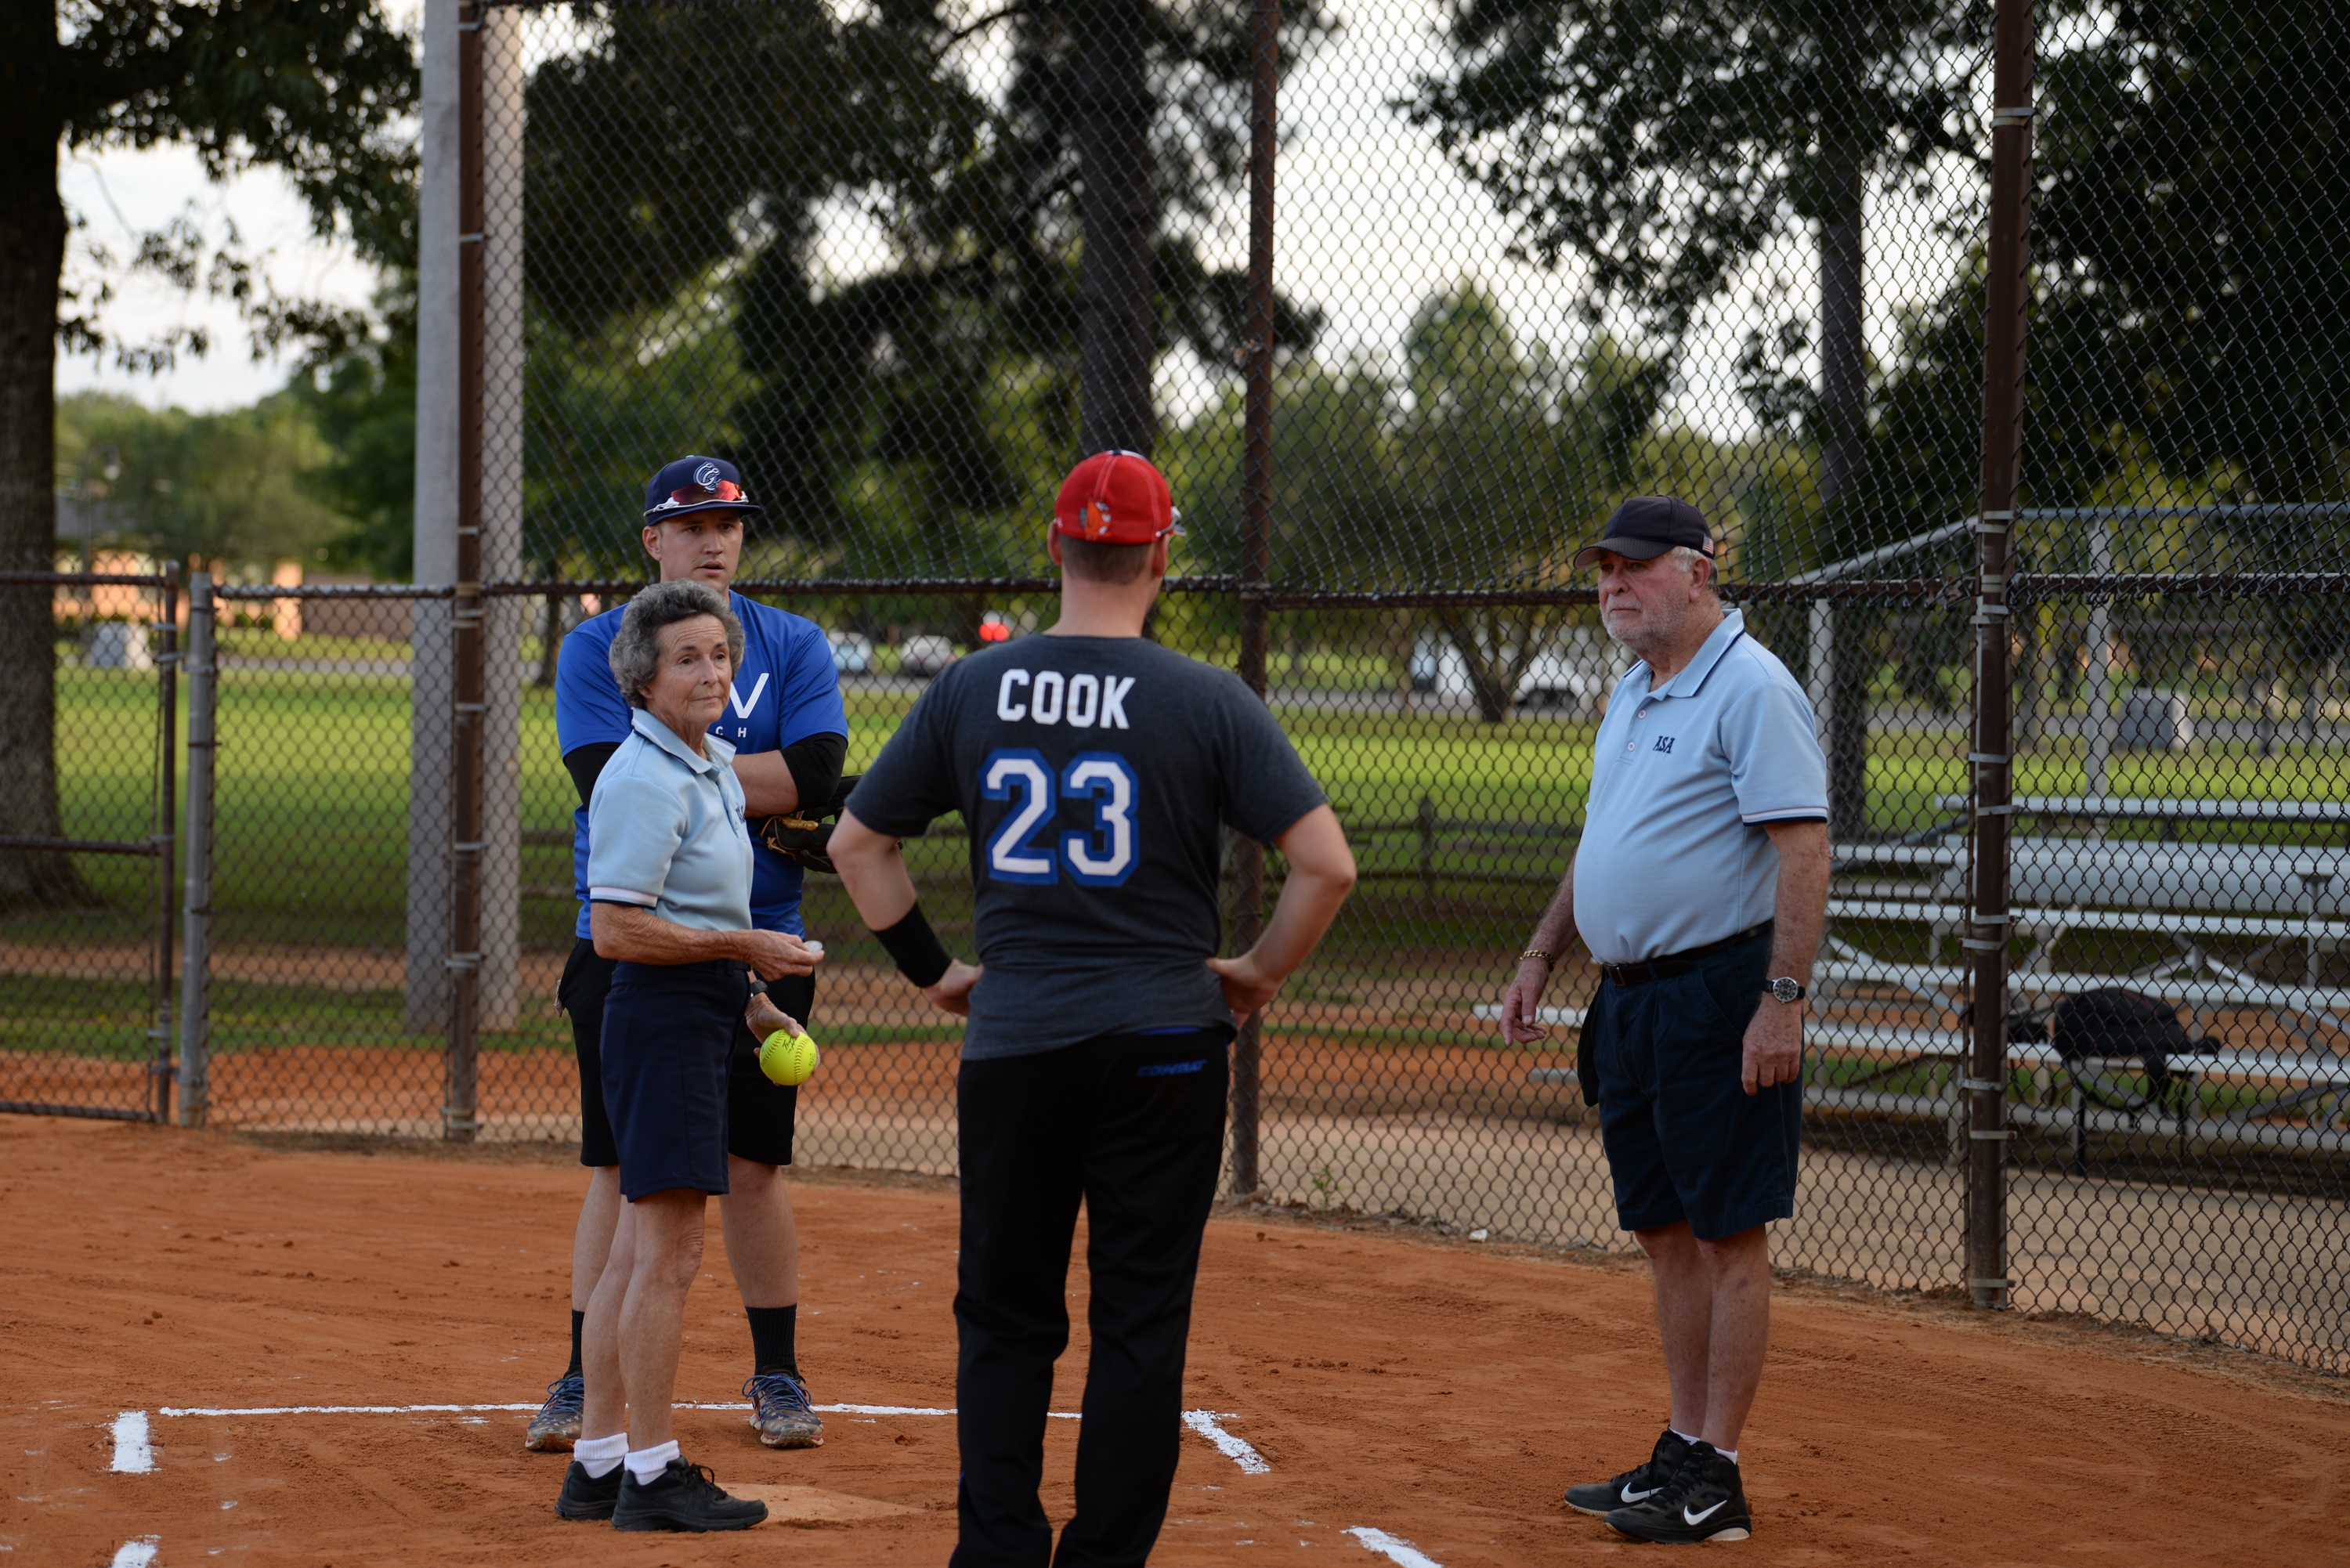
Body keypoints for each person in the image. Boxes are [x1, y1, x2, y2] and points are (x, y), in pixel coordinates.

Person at [829, 450, 1358, 1568]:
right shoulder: (1208, 697)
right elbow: (1325, 864)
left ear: (1055, 546)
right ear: (1164, 554)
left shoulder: (975, 687)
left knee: (1008, 1316)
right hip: (1167, 1040)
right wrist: (1254, 972)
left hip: (1019, 1037)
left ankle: (1000, 1551)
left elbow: (858, 843)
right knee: (1139, 1318)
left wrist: (936, 973)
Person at [1499, 496, 1830, 1545]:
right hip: (1631, 999)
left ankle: (1719, 1472)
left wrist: (1781, 1001)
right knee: (1664, 1232)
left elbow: (1804, 851)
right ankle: (1682, 1451)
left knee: (1729, 1232)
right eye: (1604, 569)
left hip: (1718, 994)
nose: (1613, 586)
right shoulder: (1636, 691)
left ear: (1699, 572)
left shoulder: (1752, 688)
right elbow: (1605, 839)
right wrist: (1543, 950)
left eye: (1635, 568)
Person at [527, 456, 848, 1456]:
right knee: (621, 1170)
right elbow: (605, 773)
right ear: (652, 539)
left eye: (731, 522)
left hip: (770, 934)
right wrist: (764, 789)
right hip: (627, 943)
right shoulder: (599, 647)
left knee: (754, 1167)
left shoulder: (787, 642)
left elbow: (821, 771)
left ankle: (778, 1373)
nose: (716, 540)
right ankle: (585, 1379)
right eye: (693, 522)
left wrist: (716, 774)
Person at [553, 580, 821, 1530]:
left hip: (699, 1017)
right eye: (686, 659)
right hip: (658, 1025)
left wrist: (751, 1006)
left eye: (718, 655)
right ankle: (653, 1474)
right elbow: (619, 931)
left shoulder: (709, 766)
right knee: (666, 1258)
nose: (711, 672)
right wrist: (750, 951)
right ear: (643, 678)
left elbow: (694, 915)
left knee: (636, 1255)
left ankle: (597, 1461)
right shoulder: (643, 776)